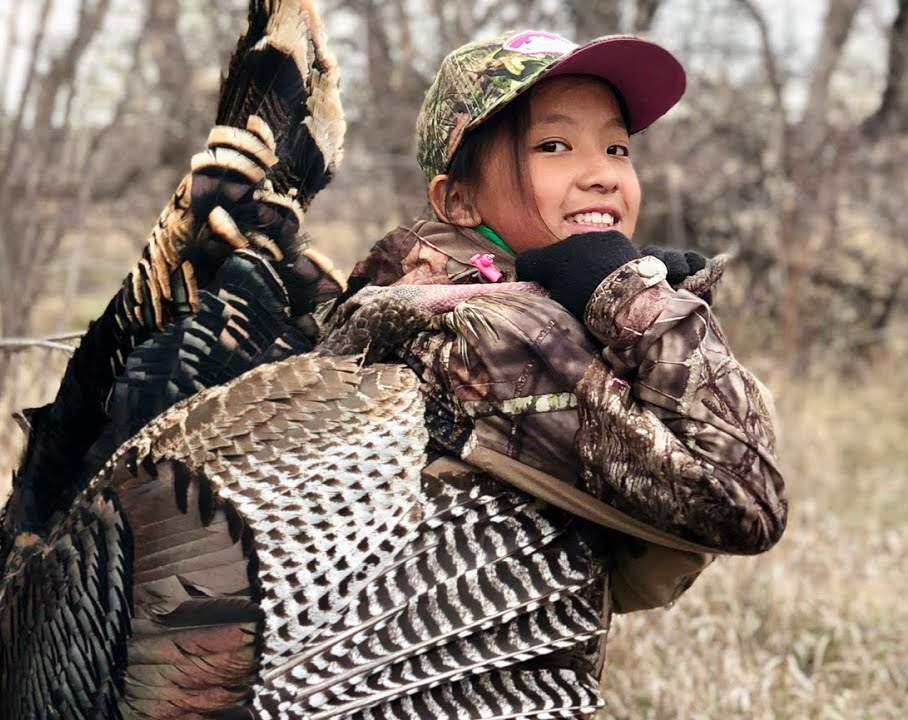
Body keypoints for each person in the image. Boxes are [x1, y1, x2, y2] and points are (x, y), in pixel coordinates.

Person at [329, 29, 788, 691]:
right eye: (553, 146)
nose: (602, 171)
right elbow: (745, 500)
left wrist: (641, 309)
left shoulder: (425, 293)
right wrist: (639, 306)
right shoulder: (486, 330)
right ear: (457, 200)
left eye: (616, 146)